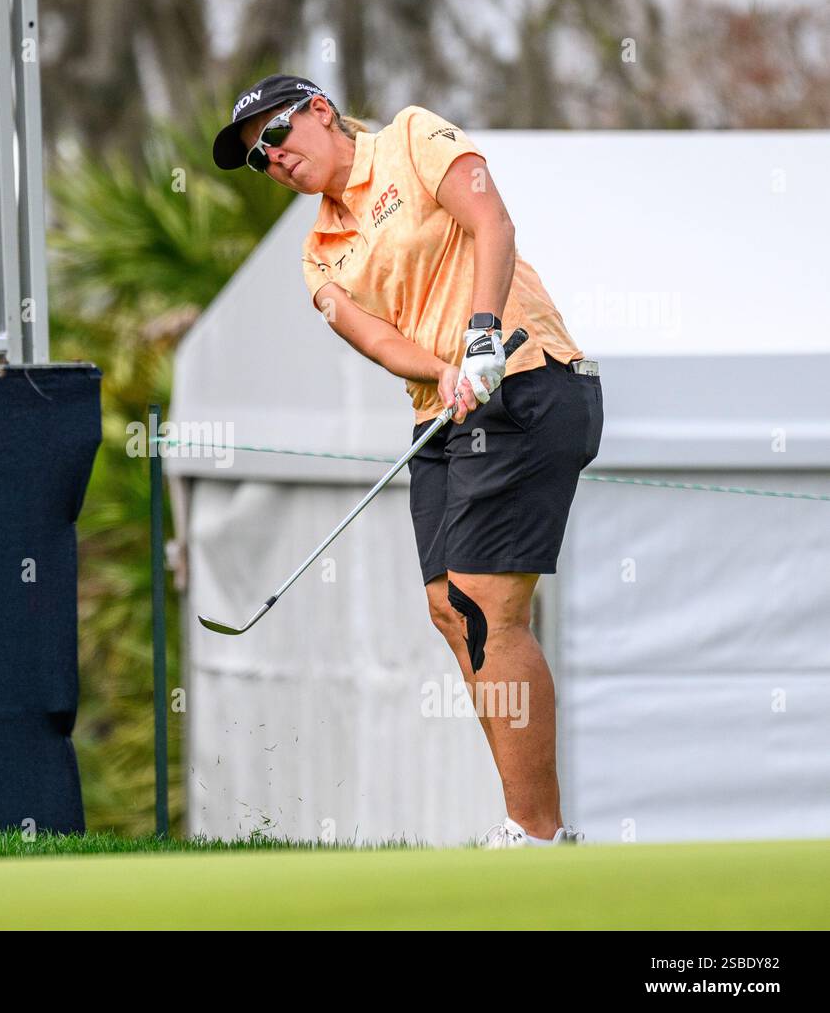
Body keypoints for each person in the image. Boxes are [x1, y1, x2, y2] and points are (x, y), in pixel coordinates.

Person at [211, 74, 604, 849]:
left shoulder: (411, 139)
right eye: (259, 160)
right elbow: (373, 337)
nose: (273, 160)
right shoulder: (318, 255)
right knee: (452, 611)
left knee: (488, 603)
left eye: (277, 137)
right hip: (445, 412)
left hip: (527, 378)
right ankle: (530, 828)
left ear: (319, 110)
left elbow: (492, 220)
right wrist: (443, 369)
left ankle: (539, 833)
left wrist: (482, 336)